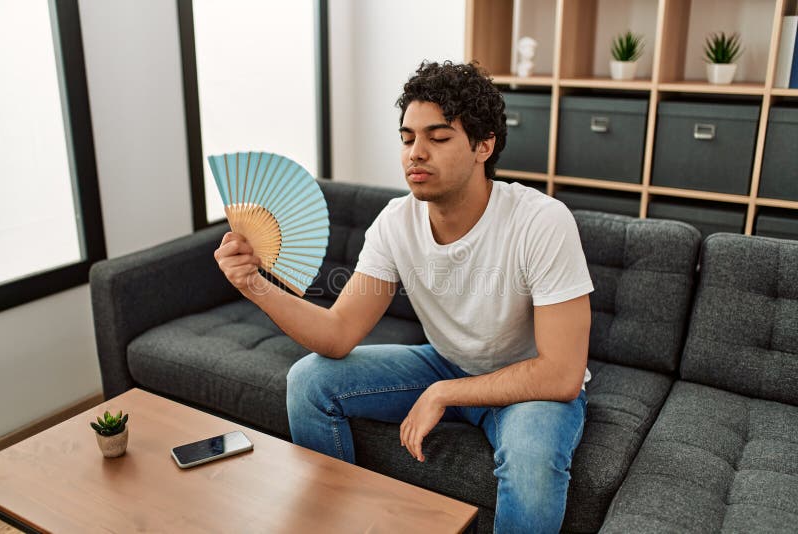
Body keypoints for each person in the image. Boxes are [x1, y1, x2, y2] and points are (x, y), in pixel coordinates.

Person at [214, 60, 593, 534]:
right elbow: (336, 335)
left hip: (528, 383)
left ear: (484, 145)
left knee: (533, 463)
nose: (416, 153)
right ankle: (342, 524)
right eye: (408, 137)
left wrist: (444, 392)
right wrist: (254, 286)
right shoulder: (396, 223)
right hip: (447, 361)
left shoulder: (541, 222)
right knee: (309, 381)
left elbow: (561, 373)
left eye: (438, 138)